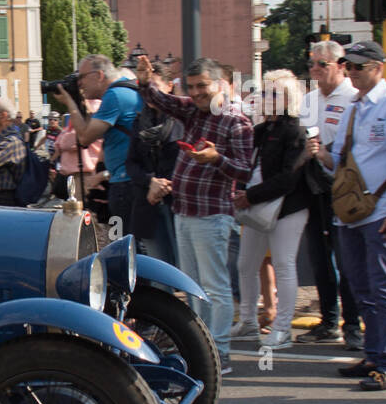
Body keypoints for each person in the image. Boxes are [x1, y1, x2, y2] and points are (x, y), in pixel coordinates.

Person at [136, 55, 254, 375]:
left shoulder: (236, 120)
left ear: (219, 84)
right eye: (192, 87)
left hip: (212, 215)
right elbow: (162, 99)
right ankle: (202, 348)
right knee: (194, 286)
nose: (198, 93)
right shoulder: (192, 110)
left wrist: (216, 158)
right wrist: (146, 82)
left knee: (214, 286)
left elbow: (244, 169)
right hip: (185, 212)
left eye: (203, 86)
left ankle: (220, 352)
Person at [317, 41, 386, 390]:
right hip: (353, 213)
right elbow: (342, 161)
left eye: (358, 66)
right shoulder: (354, 107)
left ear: (378, 67)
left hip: (381, 210)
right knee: (362, 288)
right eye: (349, 66)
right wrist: (320, 154)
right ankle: (374, 354)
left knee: (383, 287)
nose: (351, 72)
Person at [230, 70, 312, 350]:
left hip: (287, 208)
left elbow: (289, 178)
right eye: (263, 92)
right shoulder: (262, 130)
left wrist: (249, 196)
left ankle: (282, 328)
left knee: (283, 265)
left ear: (289, 99)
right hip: (257, 206)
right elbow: (246, 166)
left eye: (272, 93)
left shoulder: (296, 131)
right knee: (246, 264)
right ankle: (250, 321)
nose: (264, 98)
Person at [297, 40, 362, 348]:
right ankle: (328, 320)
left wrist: (328, 154)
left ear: (340, 65)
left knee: (348, 258)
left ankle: (353, 325)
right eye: (312, 64)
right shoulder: (309, 99)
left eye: (321, 65)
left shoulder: (353, 97)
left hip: (346, 188)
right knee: (320, 257)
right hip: (315, 187)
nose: (315, 70)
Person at [54, 54, 144, 238]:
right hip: (129, 179)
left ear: (99, 75)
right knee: (129, 241)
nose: (79, 84)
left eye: (82, 77)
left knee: (120, 243)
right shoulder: (127, 87)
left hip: (124, 185)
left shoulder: (114, 95)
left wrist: (70, 103)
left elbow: (85, 137)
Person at [125, 67, 181, 265]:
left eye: (155, 87)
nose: (150, 94)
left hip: (177, 201)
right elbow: (131, 163)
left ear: (169, 87)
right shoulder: (140, 122)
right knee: (159, 267)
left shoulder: (181, 120)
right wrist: (151, 182)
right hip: (147, 202)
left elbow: (185, 160)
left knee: (186, 266)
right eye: (146, 89)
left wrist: (165, 186)